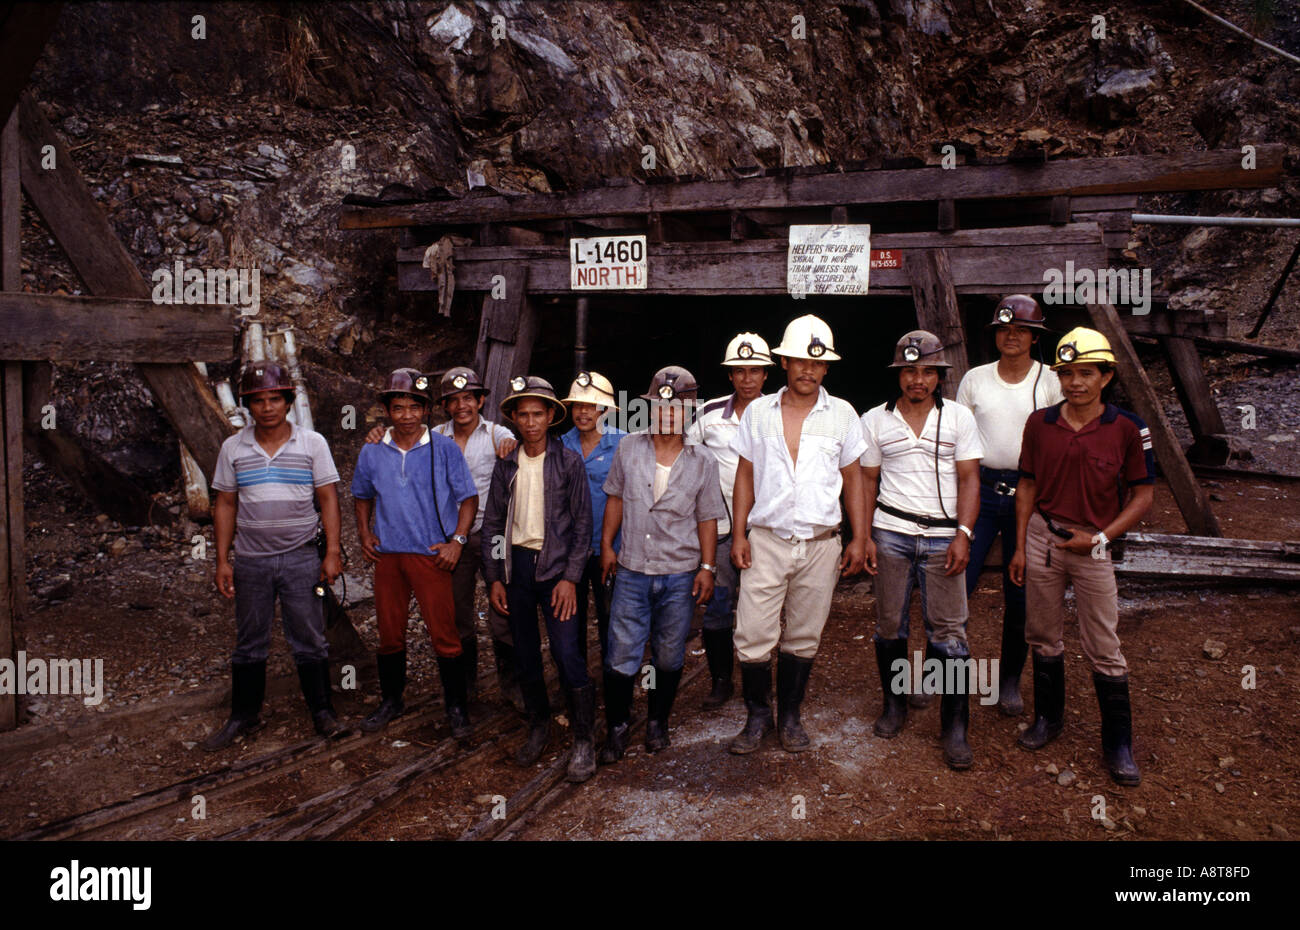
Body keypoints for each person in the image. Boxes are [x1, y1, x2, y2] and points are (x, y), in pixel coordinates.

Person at [1009, 327, 1154, 786]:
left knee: (1103, 643)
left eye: (1085, 373)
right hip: (1043, 536)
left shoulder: (1127, 428)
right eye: (1067, 373)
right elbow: (1027, 484)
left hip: (1093, 543)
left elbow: (1143, 495)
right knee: (1042, 634)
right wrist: (1019, 545)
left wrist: (1100, 538)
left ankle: (1118, 743)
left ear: (1106, 376)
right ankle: (1049, 720)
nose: (1075, 383)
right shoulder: (1040, 423)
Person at [729, 315, 869, 755]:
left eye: (818, 363)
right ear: (785, 362)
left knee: (805, 634)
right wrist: (738, 534)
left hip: (820, 543)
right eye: (800, 361)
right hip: (767, 538)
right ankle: (757, 716)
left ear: (826, 369)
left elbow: (854, 479)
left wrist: (859, 538)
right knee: (752, 633)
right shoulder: (758, 412)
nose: (808, 370)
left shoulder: (843, 413)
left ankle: (789, 716)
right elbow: (745, 475)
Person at [365, 366, 521, 710]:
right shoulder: (434, 436)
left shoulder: (497, 434)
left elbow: (514, 453)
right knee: (457, 614)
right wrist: (380, 434)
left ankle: (512, 686)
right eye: (453, 400)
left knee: (503, 611)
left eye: (469, 398)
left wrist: (513, 444)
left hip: (493, 534)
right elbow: (402, 437)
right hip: (452, 539)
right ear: (443, 407)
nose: (462, 406)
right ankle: (464, 691)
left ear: (481, 401)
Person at [861, 331, 983, 770]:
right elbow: (866, 481)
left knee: (950, 633)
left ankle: (955, 728)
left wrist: (965, 534)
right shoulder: (874, 419)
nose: (918, 379)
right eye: (910, 370)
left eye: (927, 371)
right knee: (889, 625)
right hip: (890, 531)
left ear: (939, 376)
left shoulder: (959, 419)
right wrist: (864, 536)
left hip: (943, 536)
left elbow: (970, 479)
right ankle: (894, 706)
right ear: (899, 374)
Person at [206, 363, 343, 750]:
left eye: (274, 399)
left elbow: (329, 498)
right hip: (251, 560)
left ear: (288, 401)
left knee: (310, 638)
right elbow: (226, 503)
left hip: (301, 557)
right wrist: (222, 560)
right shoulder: (233, 448)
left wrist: (331, 552)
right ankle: (243, 716)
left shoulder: (312, 443)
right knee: (250, 640)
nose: (267, 407)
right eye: (258, 400)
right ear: (248, 405)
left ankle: (323, 712)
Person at [598, 366, 725, 763]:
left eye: (678, 409)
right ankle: (617, 727)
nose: (668, 415)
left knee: (669, 653)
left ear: (689, 413)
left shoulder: (703, 460)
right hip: (633, 568)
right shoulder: (629, 448)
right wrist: (606, 545)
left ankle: (657, 723)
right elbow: (615, 497)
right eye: (660, 407)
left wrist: (707, 567)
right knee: (621, 652)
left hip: (678, 571)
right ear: (649, 408)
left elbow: (707, 517)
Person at [352, 368, 480, 739]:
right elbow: (361, 494)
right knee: (390, 633)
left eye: (413, 407)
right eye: (398, 407)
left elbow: (468, 498)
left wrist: (456, 541)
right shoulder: (373, 449)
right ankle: (392, 700)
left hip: (430, 553)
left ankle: (456, 706)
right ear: (386, 410)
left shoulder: (444, 448)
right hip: (389, 555)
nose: (406, 414)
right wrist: (364, 532)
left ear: (426, 410)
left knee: (444, 632)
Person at [482, 377, 596, 781]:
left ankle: (584, 738)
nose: (530, 422)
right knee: (526, 653)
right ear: (513, 419)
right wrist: (495, 577)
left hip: (557, 570)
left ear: (551, 416)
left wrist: (570, 578)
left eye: (538, 414)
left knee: (567, 653)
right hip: (517, 568)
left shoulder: (568, 463)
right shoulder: (507, 464)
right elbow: (494, 524)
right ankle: (539, 724)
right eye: (523, 415)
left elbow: (583, 527)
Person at [956, 295, 1063, 715]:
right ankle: (945, 673)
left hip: (1030, 490)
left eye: (1020, 329)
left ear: (1036, 335)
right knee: (956, 582)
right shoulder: (975, 379)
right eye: (1004, 328)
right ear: (995, 334)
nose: (1012, 335)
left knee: (1021, 589)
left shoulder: (1052, 379)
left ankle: (1009, 681)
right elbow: (959, 441)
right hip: (980, 487)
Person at [685, 332, 772, 710]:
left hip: (766, 527)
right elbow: (686, 461)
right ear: (730, 375)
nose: (748, 379)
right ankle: (721, 680)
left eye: (755, 371)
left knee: (764, 606)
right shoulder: (707, 415)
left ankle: (763, 683)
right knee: (719, 606)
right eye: (740, 371)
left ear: (766, 374)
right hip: (720, 530)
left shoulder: (780, 411)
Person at [560, 371, 627, 670]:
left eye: (591, 405)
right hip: (570, 551)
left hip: (610, 548)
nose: (583, 412)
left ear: (604, 410)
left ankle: (615, 681)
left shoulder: (624, 445)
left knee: (612, 618)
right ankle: (577, 682)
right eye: (577, 405)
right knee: (570, 620)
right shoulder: (560, 445)